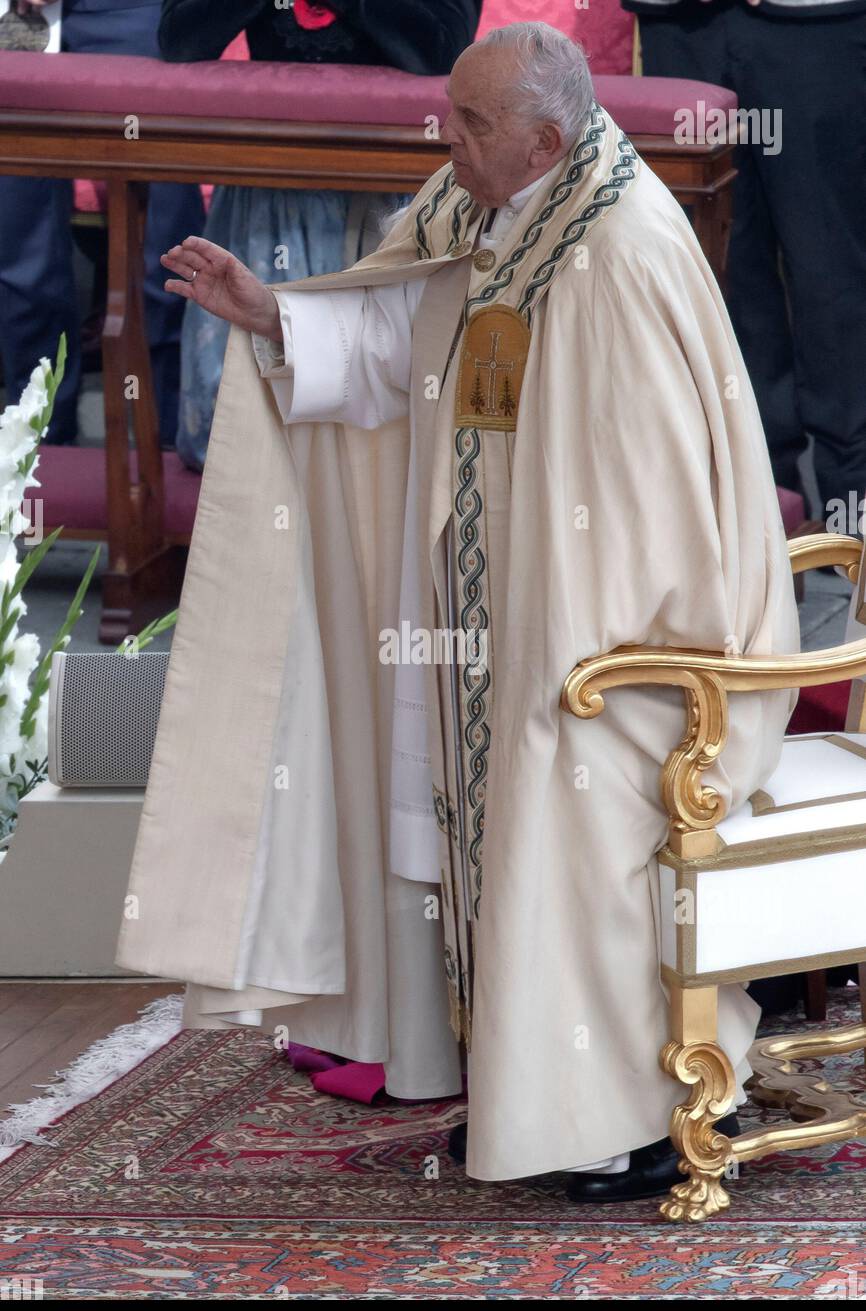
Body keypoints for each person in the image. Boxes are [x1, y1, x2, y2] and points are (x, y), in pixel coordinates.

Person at [115, 22, 801, 1200]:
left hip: (619, 649)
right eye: (449, 112)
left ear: (544, 138)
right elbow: (400, 340)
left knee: (566, 810)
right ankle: (528, 1102)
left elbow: (653, 497)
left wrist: (590, 649)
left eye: (469, 124)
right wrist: (273, 314)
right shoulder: (481, 210)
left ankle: (631, 1121)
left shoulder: (616, 253)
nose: (446, 139)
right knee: (477, 842)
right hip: (489, 626)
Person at [157, 0, 483, 471]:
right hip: (270, 181)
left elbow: (443, 51)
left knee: (388, 432)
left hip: (394, 192)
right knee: (248, 439)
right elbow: (179, 40)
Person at [624, 0, 866, 521]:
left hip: (812, 22)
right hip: (684, 22)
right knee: (720, 270)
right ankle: (761, 505)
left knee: (830, 265)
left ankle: (853, 510)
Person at [0, 0, 204, 445]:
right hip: (14, 17)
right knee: (21, 259)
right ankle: (40, 448)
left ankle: (174, 437)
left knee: (167, 244)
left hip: (127, 11)